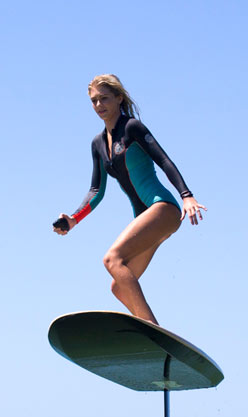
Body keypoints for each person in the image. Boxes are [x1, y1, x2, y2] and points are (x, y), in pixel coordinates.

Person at [53, 74, 206, 325]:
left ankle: (153, 329)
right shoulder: (98, 144)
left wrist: (186, 196)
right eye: (94, 101)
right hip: (145, 218)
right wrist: (73, 220)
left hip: (163, 208)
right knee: (119, 287)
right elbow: (96, 191)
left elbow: (164, 160)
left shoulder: (132, 127)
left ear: (119, 98)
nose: (99, 105)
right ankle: (149, 333)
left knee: (112, 259)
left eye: (104, 98)